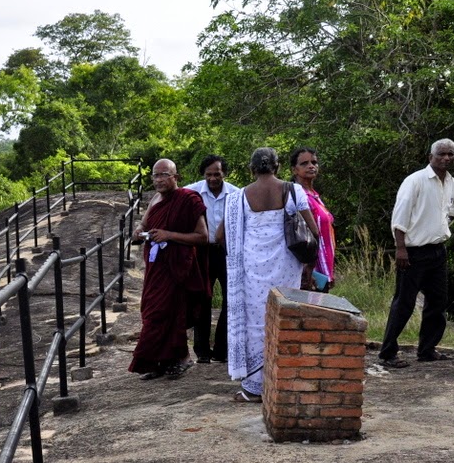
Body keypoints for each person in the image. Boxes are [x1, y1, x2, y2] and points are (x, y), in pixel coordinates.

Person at [220, 148, 319, 402]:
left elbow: (220, 236)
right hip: (286, 266)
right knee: (284, 317)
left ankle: (254, 388)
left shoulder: (238, 196)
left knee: (256, 322)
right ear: (276, 167)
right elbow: (313, 230)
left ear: (251, 169)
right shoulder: (293, 190)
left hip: (252, 269)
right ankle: (285, 382)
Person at [378, 138, 454, 368]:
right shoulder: (415, 181)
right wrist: (400, 248)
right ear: (431, 157)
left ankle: (427, 349)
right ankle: (388, 352)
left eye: (450, 154)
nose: (446, 158)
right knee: (404, 303)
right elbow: (400, 215)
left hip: (437, 251)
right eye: (441, 154)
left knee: (438, 302)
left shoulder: (450, 183)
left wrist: (446, 220)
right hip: (413, 252)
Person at [129, 158, 210, 380]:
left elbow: (203, 237)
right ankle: (160, 362)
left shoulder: (188, 199)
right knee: (151, 312)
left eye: (164, 174)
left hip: (177, 267)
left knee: (171, 313)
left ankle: (183, 359)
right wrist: (138, 231)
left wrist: (169, 235)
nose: (159, 179)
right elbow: (144, 224)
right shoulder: (156, 199)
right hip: (156, 268)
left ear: (176, 176)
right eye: (155, 175)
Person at [184, 154, 239, 363]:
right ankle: (202, 351)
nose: (213, 178)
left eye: (217, 174)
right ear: (203, 175)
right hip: (202, 251)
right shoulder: (192, 191)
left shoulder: (235, 193)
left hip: (227, 251)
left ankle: (222, 349)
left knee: (229, 299)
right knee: (201, 298)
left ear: (224, 173)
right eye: (209, 174)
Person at [290, 147, 335, 291]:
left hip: (323, 264)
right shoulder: (297, 195)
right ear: (294, 170)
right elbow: (297, 233)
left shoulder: (314, 195)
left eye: (314, 162)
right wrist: (307, 266)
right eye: (304, 163)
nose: (311, 166)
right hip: (309, 268)